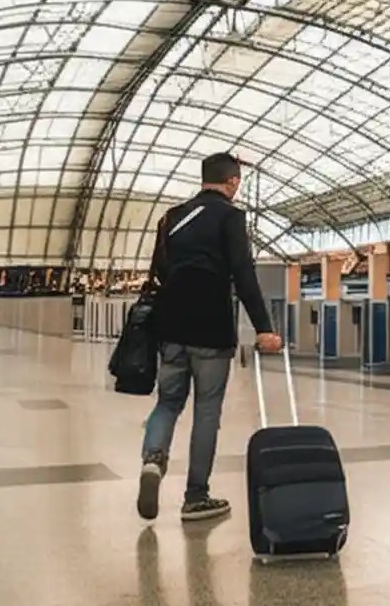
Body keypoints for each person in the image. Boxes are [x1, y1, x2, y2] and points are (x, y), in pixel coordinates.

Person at [137, 153, 284, 522]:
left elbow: (160, 268)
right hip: (211, 329)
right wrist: (264, 328)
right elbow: (243, 274)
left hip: (170, 326)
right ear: (233, 182)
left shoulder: (171, 217)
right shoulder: (231, 217)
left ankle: (153, 461)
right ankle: (195, 496)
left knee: (168, 403)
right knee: (207, 410)